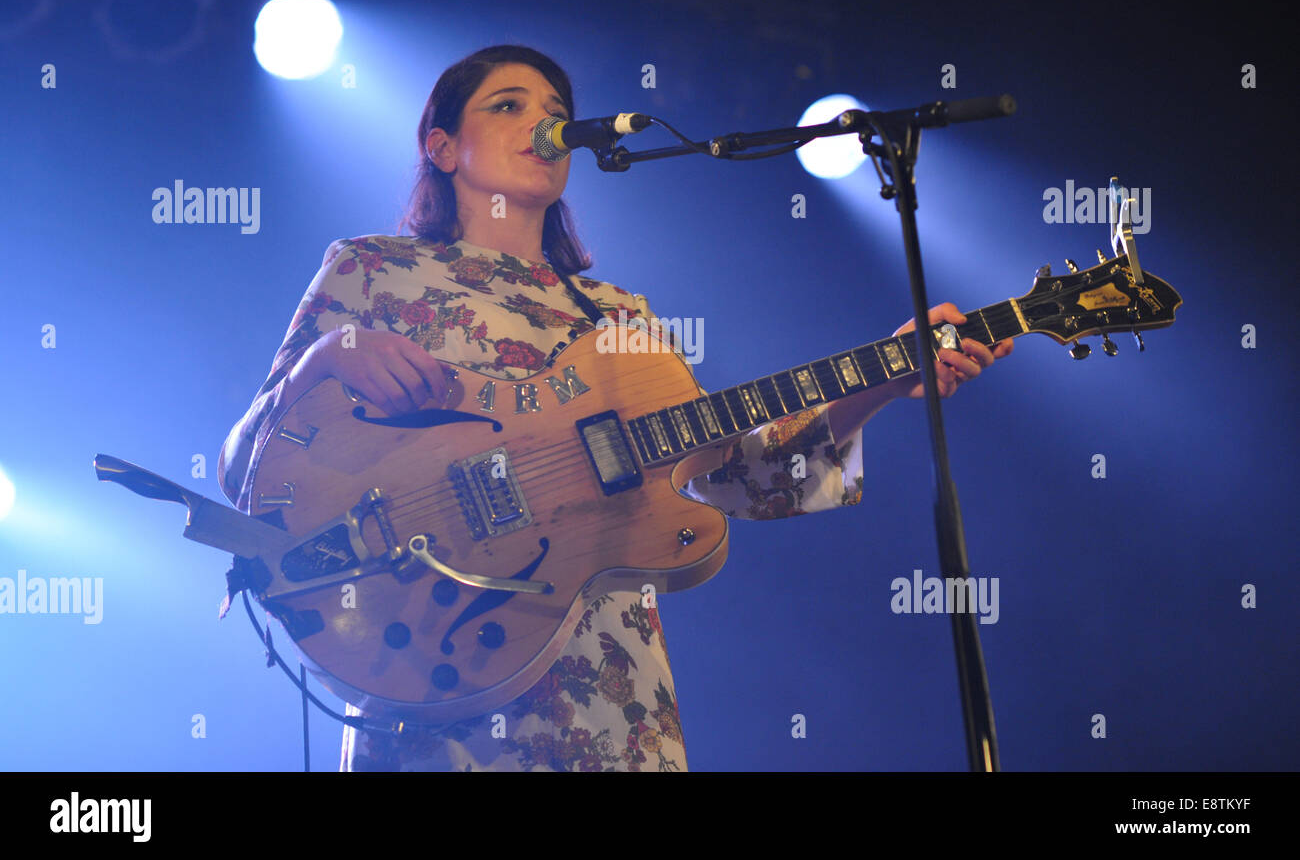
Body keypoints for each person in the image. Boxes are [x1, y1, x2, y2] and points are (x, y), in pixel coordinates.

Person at [216, 44, 1013, 771]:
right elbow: (245, 467)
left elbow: (740, 477)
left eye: (557, 114)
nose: (544, 123)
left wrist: (882, 375)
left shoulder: (617, 316)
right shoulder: (373, 271)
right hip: (433, 664)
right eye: (509, 105)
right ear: (442, 147)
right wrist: (329, 357)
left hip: (602, 693)